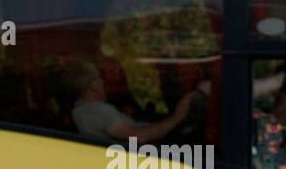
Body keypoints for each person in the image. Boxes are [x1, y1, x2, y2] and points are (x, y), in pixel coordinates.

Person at [67, 58, 209, 144]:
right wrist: (178, 117)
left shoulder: (83, 110)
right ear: (91, 85)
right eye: (100, 76)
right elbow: (139, 137)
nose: (103, 81)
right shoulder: (95, 112)